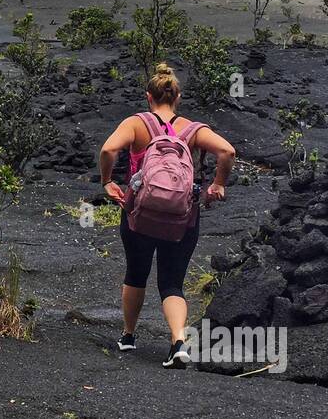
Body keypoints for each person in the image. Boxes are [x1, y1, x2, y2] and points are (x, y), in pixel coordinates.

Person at [99, 63, 236, 367]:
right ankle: (178, 342)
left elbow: (109, 150)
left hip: (139, 214)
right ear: (178, 97)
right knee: (172, 282)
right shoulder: (193, 129)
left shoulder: (136, 124)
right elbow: (227, 152)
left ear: (149, 96)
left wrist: (108, 182)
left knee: (136, 273)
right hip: (182, 217)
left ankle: (128, 337)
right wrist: (218, 184)